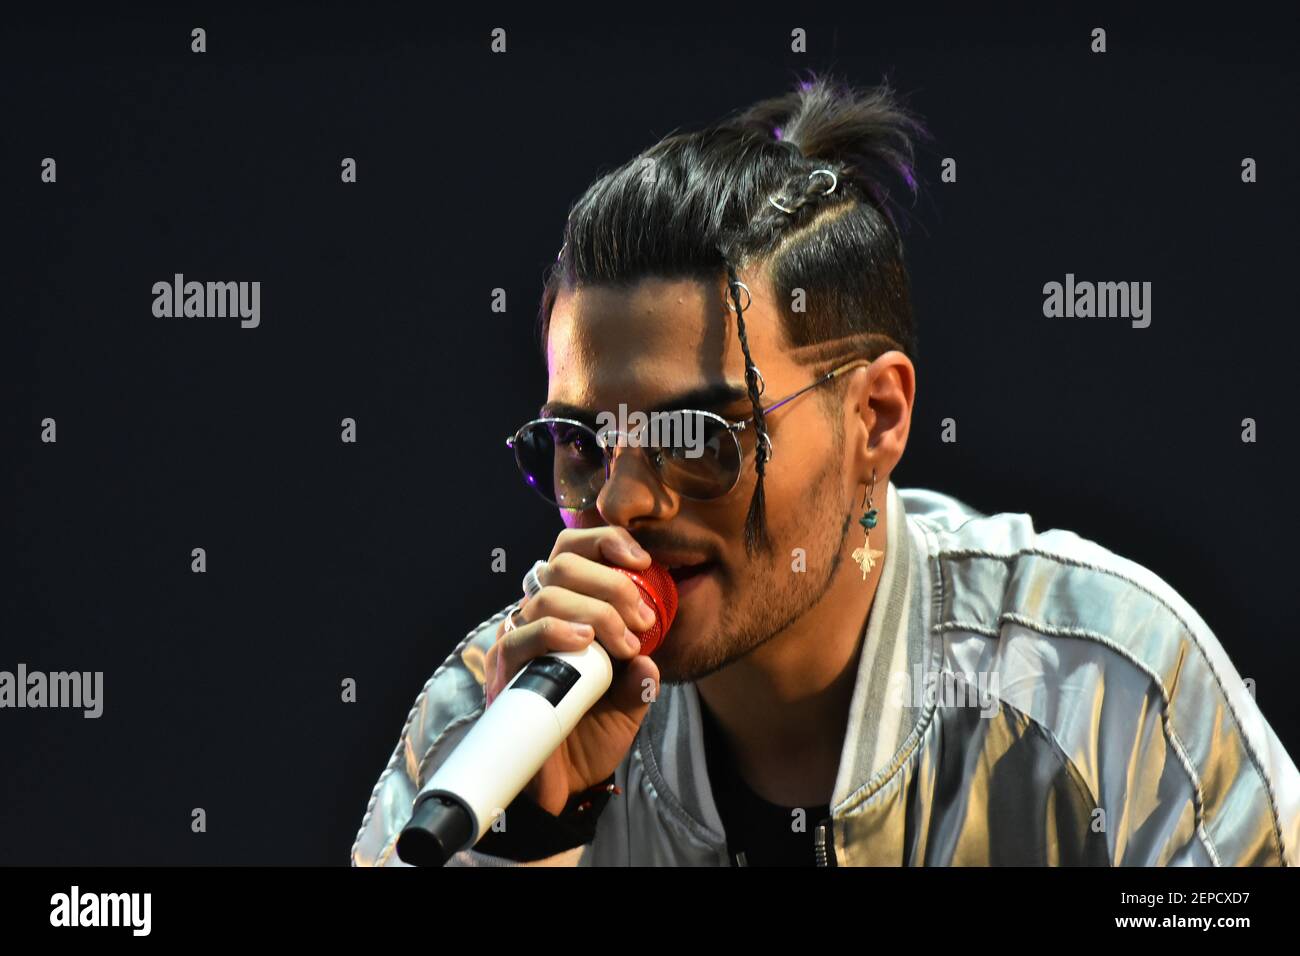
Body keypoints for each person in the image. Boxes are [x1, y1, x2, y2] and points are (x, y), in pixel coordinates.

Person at [351, 75, 1300, 866]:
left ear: (875, 419)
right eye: (582, 441)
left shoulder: (1104, 690)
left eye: (697, 436)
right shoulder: (491, 723)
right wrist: (534, 837)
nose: (622, 499)